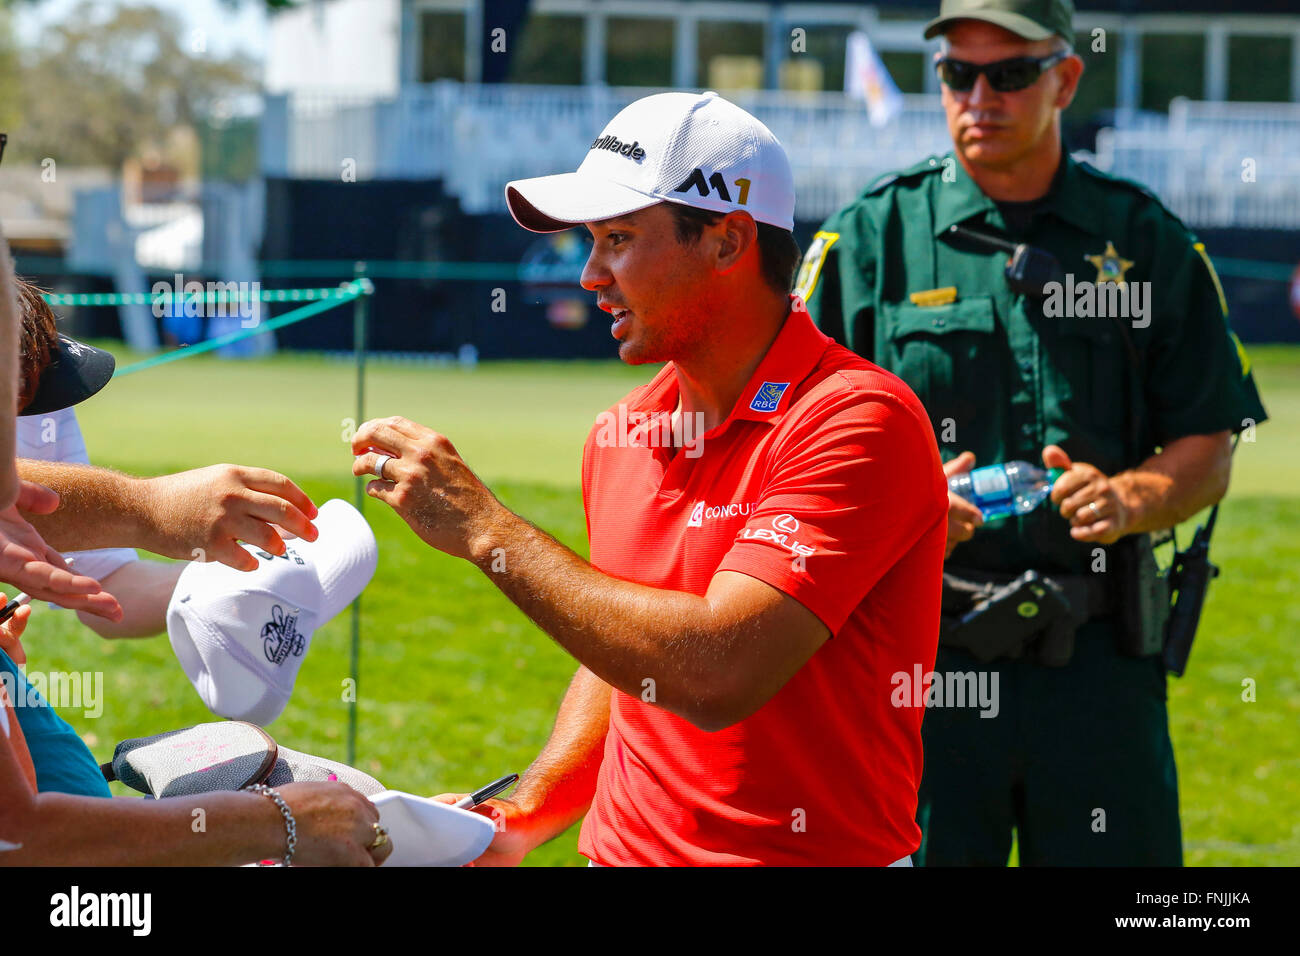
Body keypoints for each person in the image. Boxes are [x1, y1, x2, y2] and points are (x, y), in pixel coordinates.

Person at [352, 91, 948, 865]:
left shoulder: (860, 419)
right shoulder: (620, 430)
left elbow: (717, 672)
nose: (590, 274)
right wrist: (522, 813)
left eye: (620, 239)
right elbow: (630, 654)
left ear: (729, 242)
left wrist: (487, 531)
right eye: (593, 242)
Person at [799, 0, 1268, 865]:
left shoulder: (1144, 240)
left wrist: (1129, 498)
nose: (981, 95)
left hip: (1099, 672)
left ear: (1065, 77)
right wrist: (906, 505)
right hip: (923, 662)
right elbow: (786, 451)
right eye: (957, 74)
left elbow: (1209, 443)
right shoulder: (871, 239)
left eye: (1009, 73)